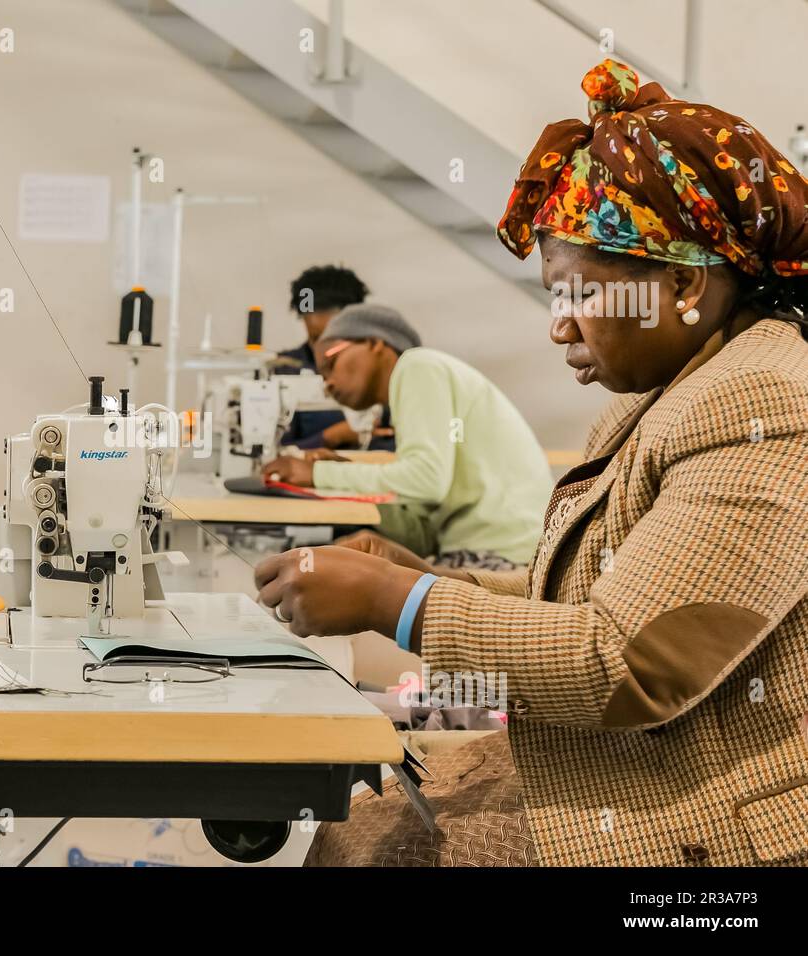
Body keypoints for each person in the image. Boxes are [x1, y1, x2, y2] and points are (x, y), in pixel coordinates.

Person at [256, 60, 808, 867]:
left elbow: (628, 662)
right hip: (649, 759)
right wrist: (435, 582)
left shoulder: (762, 402)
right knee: (361, 824)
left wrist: (398, 598)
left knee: (379, 835)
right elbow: (601, 594)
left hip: (714, 826)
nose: (559, 329)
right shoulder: (658, 397)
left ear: (686, 283)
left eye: (578, 295)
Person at [264, 303, 552, 569]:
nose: (327, 383)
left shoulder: (417, 366)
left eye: (331, 363)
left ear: (375, 342)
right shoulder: (421, 388)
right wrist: (342, 478)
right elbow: (422, 534)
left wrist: (319, 474)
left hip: (501, 559)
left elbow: (426, 481)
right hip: (496, 552)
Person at [276, 264, 380, 450]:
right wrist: (331, 437)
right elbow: (274, 450)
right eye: (316, 338)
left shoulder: (377, 365)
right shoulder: (284, 369)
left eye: (333, 339)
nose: (324, 352)